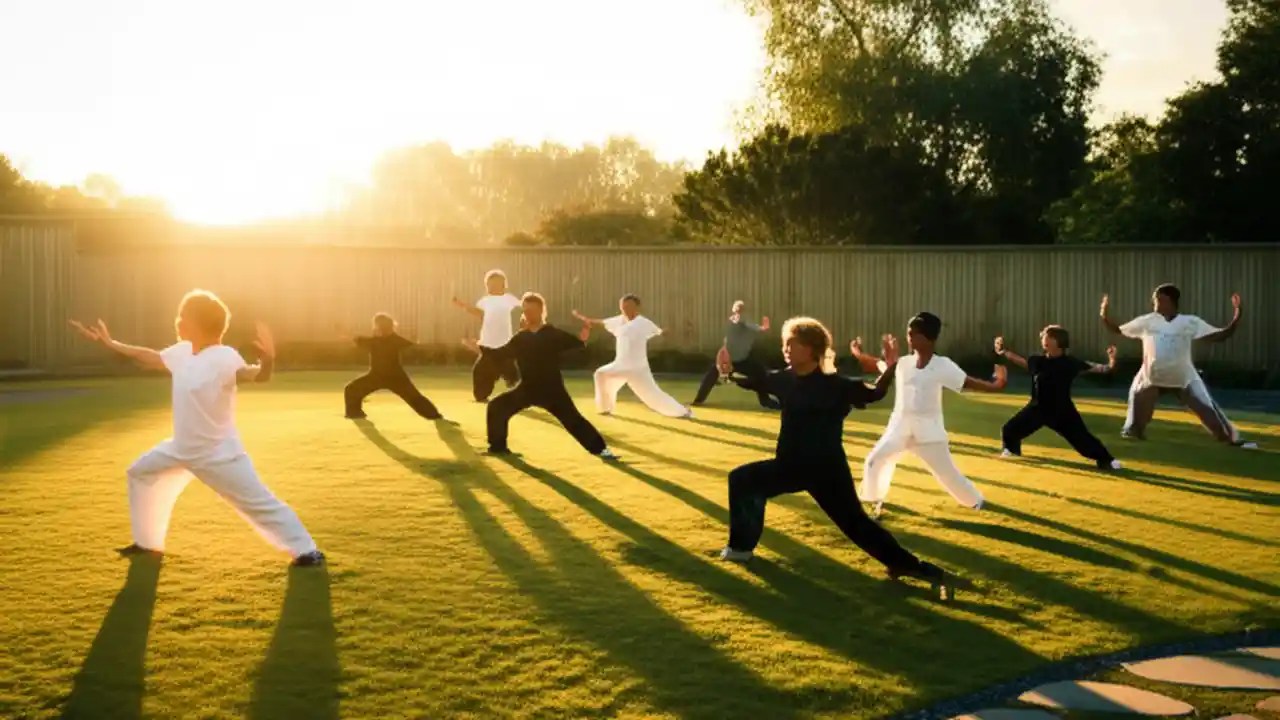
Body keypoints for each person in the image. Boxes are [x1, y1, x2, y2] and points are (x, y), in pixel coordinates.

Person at [68, 290, 324, 566]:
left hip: (218, 454)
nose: (178, 321)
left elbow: (254, 376)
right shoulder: (182, 352)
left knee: (259, 502)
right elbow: (151, 356)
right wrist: (110, 343)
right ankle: (147, 543)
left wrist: (269, 361)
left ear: (199, 323)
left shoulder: (225, 357)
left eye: (183, 317)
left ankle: (307, 550)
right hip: (180, 448)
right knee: (139, 473)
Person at [715, 318, 950, 590]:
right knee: (742, 480)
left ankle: (908, 565)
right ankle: (740, 549)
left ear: (813, 349)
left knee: (855, 522)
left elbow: (875, 393)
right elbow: (753, 382)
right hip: (789, 465)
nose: (787, 349)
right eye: (785, 344)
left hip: (826, 470)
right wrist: (728, 371)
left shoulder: (837, 385)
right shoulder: (783, 380)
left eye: (793, 344)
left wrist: (891, 366)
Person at [854, 312, 1008, 516]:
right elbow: (880, 367)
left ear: (929, 338)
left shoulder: (943, 365)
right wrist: (858, 353)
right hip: (898, 429)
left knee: (948, 475)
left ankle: (976, 501)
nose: (909, 337)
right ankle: (871, 501)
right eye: (908, 333)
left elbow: (969, 383)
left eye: (914, 334)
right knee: (874, 461)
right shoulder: (904, 363)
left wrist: (996, 384)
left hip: (929, 434)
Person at [464, 292, 619, 460]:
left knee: (573, 420)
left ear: (541, 311)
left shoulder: (552, 334)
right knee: (496, 407)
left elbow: (578, 344)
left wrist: (585, 333)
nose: (528, 314)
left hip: (553, 390)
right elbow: (500, 355)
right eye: (526, 310)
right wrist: (478, 347)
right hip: (527, 388)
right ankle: (498, 447)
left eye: (532, 310)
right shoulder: (520, 338)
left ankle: (602, 450)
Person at [1101, 285, 1256, 448]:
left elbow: (1220, 335)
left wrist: (1237, 316)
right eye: (1155, 300)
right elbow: (1118, 330)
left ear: (1170, 301)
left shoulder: (1189, 322)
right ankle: (1133, 431)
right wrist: (1104, 315)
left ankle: (1230, 439)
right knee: (1136, 397)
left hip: (1182, 377)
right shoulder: (1148, 321)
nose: (1155, 303)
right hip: (1152, 377)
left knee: (1207, 409)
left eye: (1159, 299)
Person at [994, 327, 1121, 470]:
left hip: (1062, 410)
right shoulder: (1038, 361)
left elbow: (1101, 369)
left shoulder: (1071, 363)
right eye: (1043, 337)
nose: (1043, 339)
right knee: (1009, 429)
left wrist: (1112, 360)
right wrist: (1004, 352)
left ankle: (1108, 460)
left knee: (1083, 440)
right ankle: (1010, 451)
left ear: (1057, 341)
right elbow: (1021, 361)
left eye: (1047, 337)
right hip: (1038, 408)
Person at [573, 294, 692, 419]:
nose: (625, 309)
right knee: (600, 374)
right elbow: (601, 322)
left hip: (638, 369)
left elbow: (658, 331)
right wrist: (585, 319)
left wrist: (664, 332)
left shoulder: (644, 323)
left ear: (637, 307)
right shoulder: (618, 321)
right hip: (619, 365)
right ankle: (605, 408)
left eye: (628, 306)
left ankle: (683, 412)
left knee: (653, 396)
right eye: (622, 307)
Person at [342, 312, 447, 421]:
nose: (374, 327)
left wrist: (345, 332)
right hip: (395, 377)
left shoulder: (374, 341)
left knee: (351, 389)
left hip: (380, 376)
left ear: (379, 326)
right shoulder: (393, 340)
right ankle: (434, 416)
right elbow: (411, 346)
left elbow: (357, 339)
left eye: (375, 325)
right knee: (415, 398)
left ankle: (354, 413)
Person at [692, 300, 780, 409]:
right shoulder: (736, 320)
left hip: (741, 359)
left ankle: (764, 400)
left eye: (740, 310)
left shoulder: (738, 320)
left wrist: (760, 328)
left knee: (760, 373)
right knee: (712, 375)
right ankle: (698, 400)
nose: (738, 312)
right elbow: (741, 329)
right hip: (731, 359)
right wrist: (762, 328)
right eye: (737, 309)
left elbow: (747, 326)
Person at [451, 269, 521, 402]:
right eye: (488, 284)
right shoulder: (485, 301)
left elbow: (523, 306)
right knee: (480, 372)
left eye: (494, 284)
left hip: (506, 346)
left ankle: (521, 392)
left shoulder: (509, 299)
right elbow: (480, 314)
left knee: (512, 375)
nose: (490, 287)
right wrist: (462, 305)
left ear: (502, 285)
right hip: (487, 346)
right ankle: (481, 396)